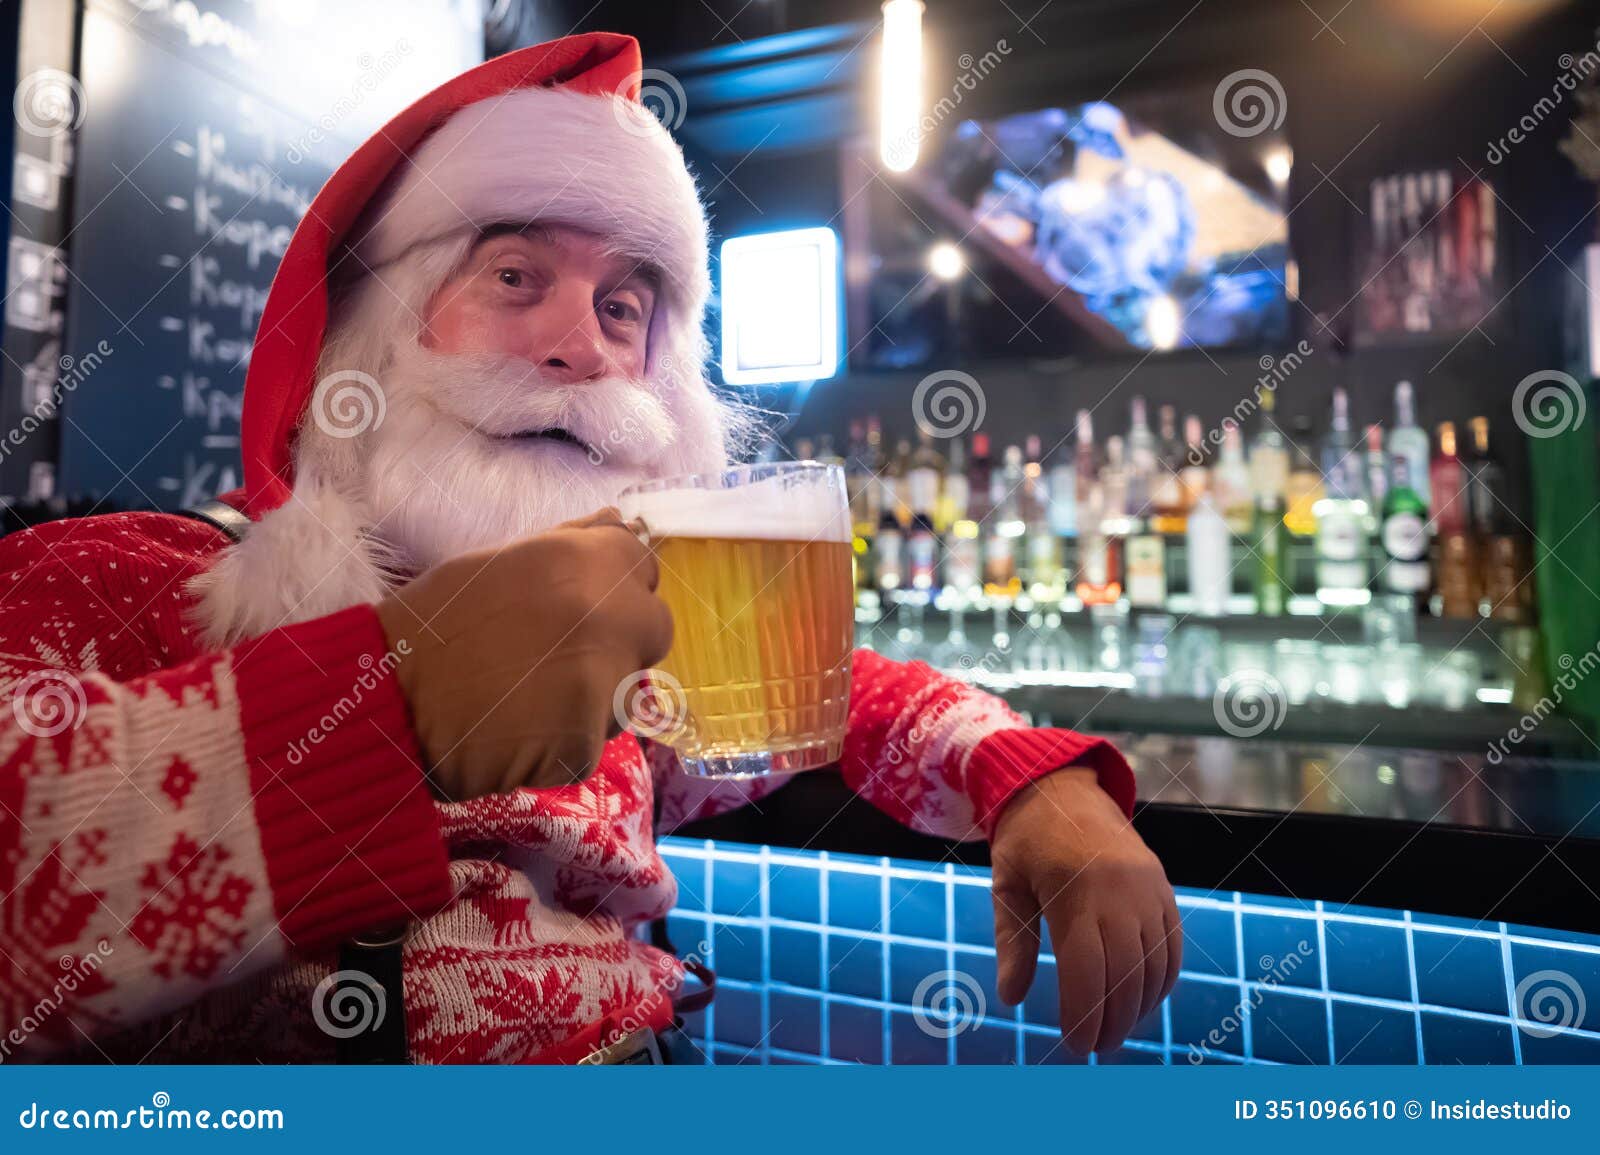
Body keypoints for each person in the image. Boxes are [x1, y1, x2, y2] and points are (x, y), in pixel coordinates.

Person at [0, 33, 1179, 1064]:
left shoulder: (620, 658)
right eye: (514, 275)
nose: (584, 347)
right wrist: (394, 705)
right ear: (366, 339)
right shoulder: (137, 583)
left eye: (625, 306)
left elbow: (835, 699)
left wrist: (1030, 778)